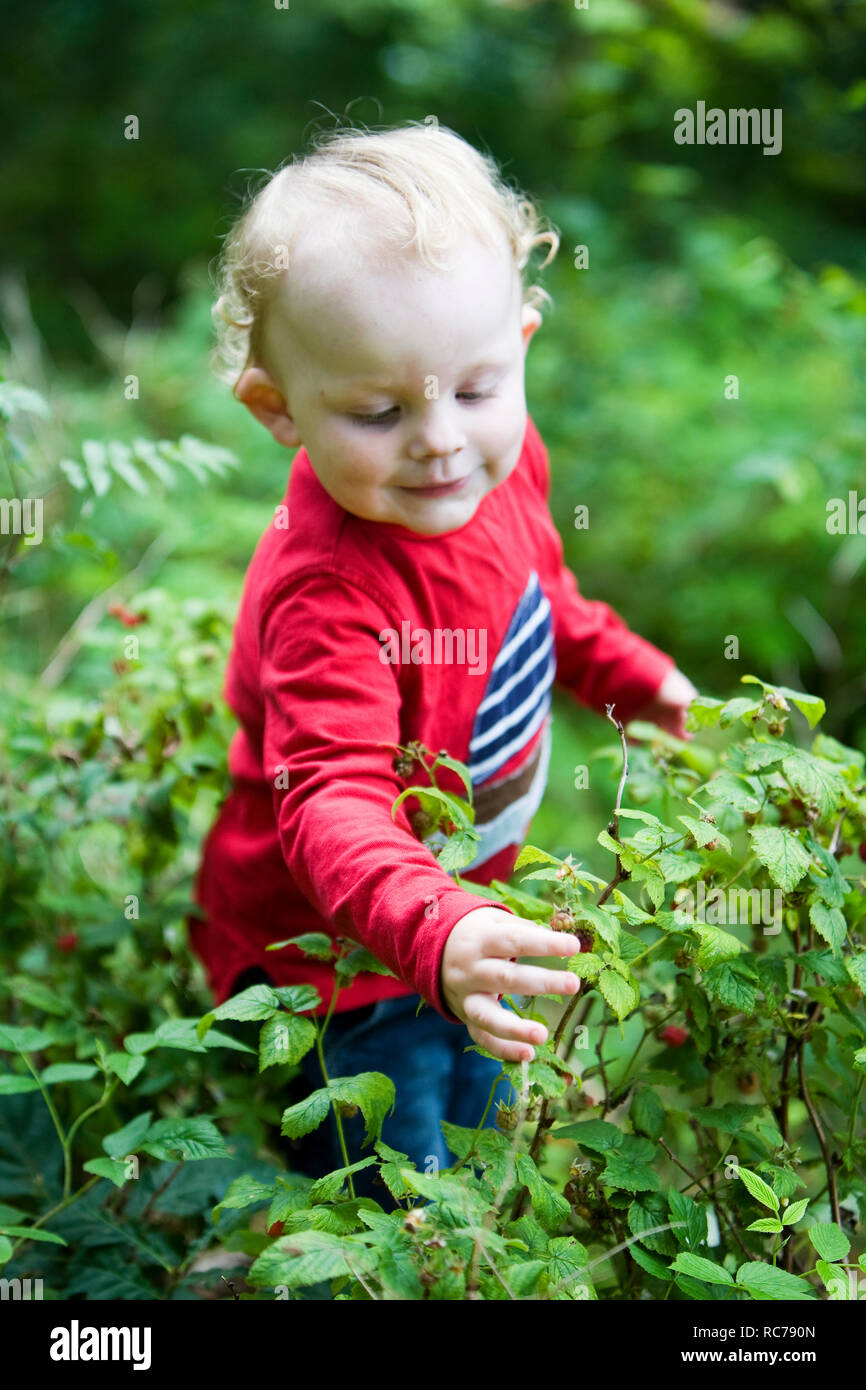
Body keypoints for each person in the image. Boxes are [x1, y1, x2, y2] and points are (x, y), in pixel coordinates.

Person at [189, 122, 697, 1202]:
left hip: (455, 918)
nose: (437, 439)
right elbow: (329, 797)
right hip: (331, 970)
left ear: (516, 341)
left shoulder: (493, 468)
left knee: (487, 1144)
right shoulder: (328, 587)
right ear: (276, 407)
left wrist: (642, 682)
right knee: (401, 1197)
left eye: (471, 388)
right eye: (378, 411)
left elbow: (537, 603)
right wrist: (441, 923)